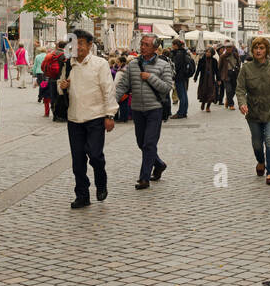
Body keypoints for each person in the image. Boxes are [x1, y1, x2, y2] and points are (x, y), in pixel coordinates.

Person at [59, 29, 116, 209]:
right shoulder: (68, 64)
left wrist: (110, 115)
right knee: (77, 161)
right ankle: (82, 194)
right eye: (74, 43)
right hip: (74, 118)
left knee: (96, 156)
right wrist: (63, 86)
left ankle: (101, 183)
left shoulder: (100, 64)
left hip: (95, 117)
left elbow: (108, 89)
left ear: (90, 45)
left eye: (81, 43)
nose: (77, 47)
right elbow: (61, 89)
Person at [115, 33, 174, 190]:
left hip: (154, 109)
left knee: (149, 143)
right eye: (141, 44)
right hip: (137, 110)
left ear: (155, 48)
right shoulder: (133, 65)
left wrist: (150, 77)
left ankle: (144, 178)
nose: (142, 47)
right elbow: (122, 86)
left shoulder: (163, 65)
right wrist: (112, 102)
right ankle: (159, 164)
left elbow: (167, 87)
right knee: (141, 143)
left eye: (146, 45)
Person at [235, 36, 270, 186]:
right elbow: (240, 89)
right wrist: (242, 103)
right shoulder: (246, 68)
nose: (258, 51)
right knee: (257, 143)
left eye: (261, 48)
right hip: (254, 112)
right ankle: (260, 161)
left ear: (266, 51)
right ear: (252, 51)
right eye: (256, 48)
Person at [169, 38, 194, 119]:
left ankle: (180, 113)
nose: (172, 47)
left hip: (179, 76)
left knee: (181, 95)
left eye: (173, 45)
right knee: (184, 94)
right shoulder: (183, 52)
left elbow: (176, 66)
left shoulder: (179, 54)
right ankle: (184, 111)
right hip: (184, 76)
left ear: (176, 45)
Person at [41, 43, 65, 117]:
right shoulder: (65, 55)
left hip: (47, 78)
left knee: (48, 95)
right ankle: (60, 114)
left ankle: (49, 113)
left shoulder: (49, 55)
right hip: (60, 78)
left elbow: (42, 67)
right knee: (60, 96)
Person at [196, 46, 220, 113]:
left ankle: (208, 106)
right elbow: (198, 69)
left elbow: (217, 71)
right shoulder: (202, 60)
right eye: (206, 52)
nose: (207, 53)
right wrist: (195, 77)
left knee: (211, 93)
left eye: (209, 52)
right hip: (203, 79)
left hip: (211, 79)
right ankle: (203, 102)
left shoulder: (214, 61)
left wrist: (219, 79)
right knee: (203, 92)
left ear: (212, 53)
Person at [219, 43, 241, 110]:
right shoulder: (222, 56)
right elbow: (219, 67)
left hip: (235, 74)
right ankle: (231, 104)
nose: (228, 48)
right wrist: (219, 77)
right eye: (227, 47)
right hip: (226, 74)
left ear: (232, 48)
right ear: (225, 48)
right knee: (228, 90)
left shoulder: (235, 55)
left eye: (230, 47)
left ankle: (228, 100)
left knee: (234, 89)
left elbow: (239, 63)